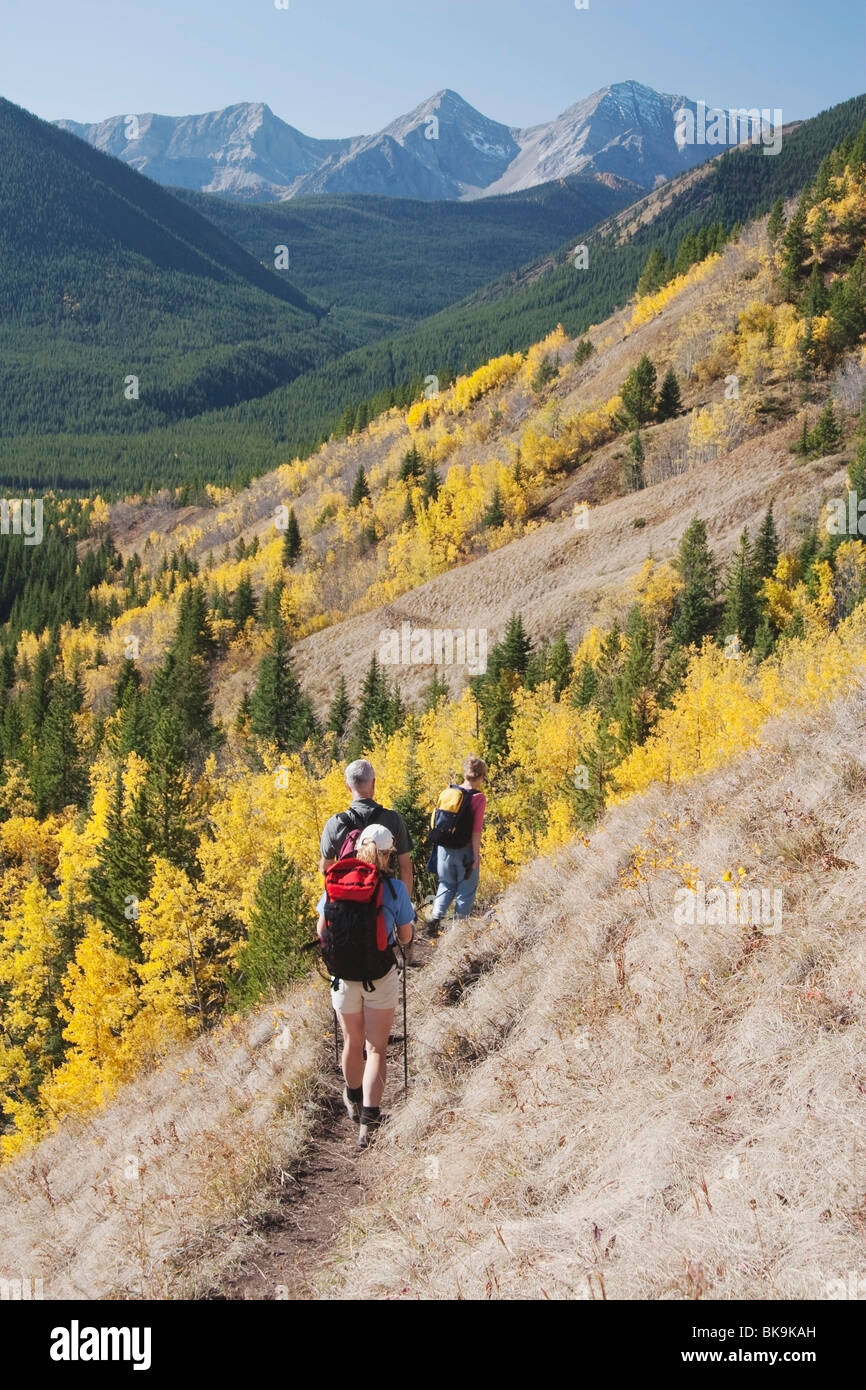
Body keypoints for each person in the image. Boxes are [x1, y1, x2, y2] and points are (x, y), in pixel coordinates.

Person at [317, 824, 415, 1147]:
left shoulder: (335, 882)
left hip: (343, 978)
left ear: (358, 849)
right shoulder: (395, 889)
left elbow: (321, 930)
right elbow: (405, 937)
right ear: (388, 854)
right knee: (376, 1048)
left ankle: (352, 1096)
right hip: (380, 977)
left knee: (352, 1041)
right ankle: (369, 1123)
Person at [320, 759, 413, 896]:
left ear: (348, 787)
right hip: (384, 901)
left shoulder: (334, 824)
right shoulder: (393, 820)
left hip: (350, 902)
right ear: (373, 783)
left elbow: (326, 868)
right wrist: (403, 904)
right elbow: (405, 868)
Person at [427, 755, 488, 936]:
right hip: (465, 851)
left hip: (443, 848)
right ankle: (457, 932)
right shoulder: (478, 798)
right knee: (466, 891)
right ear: (481, 776)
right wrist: (475, 855)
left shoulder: (450, 791)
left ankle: (436, 916)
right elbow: (476, 830)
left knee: (446, 883)